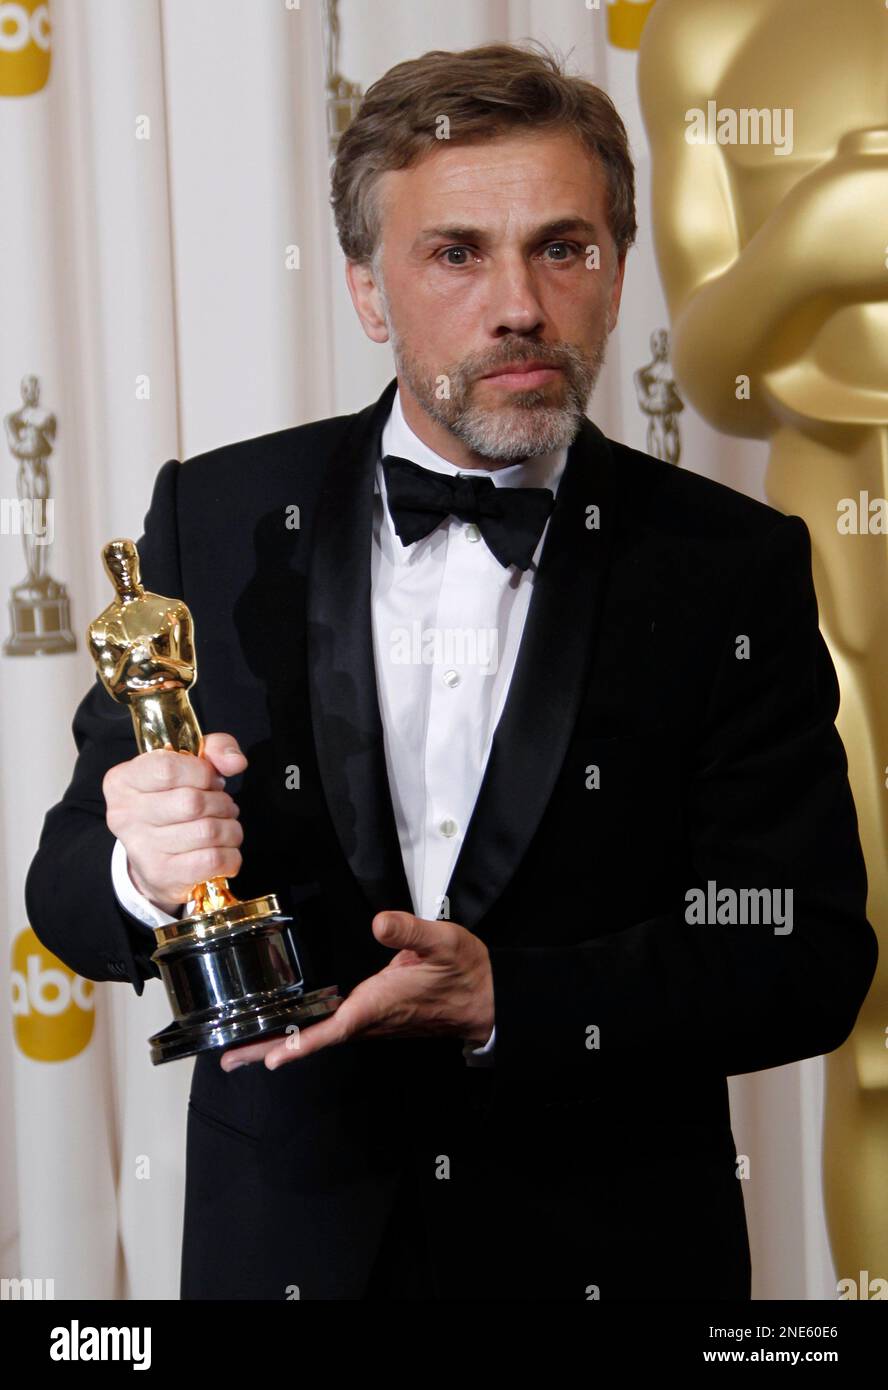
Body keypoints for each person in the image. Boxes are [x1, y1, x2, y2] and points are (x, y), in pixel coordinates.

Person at [25, 41, 877, 1301]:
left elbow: (803, 955)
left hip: (614, 1256)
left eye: (564, 247)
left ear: (619, 269)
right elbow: (66, 897)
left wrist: (508, 1001)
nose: (520, 302)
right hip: (291, 1254)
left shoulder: (728, 563)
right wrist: (144, 872)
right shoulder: (217, 516)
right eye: (457, 252)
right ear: (369, 290)